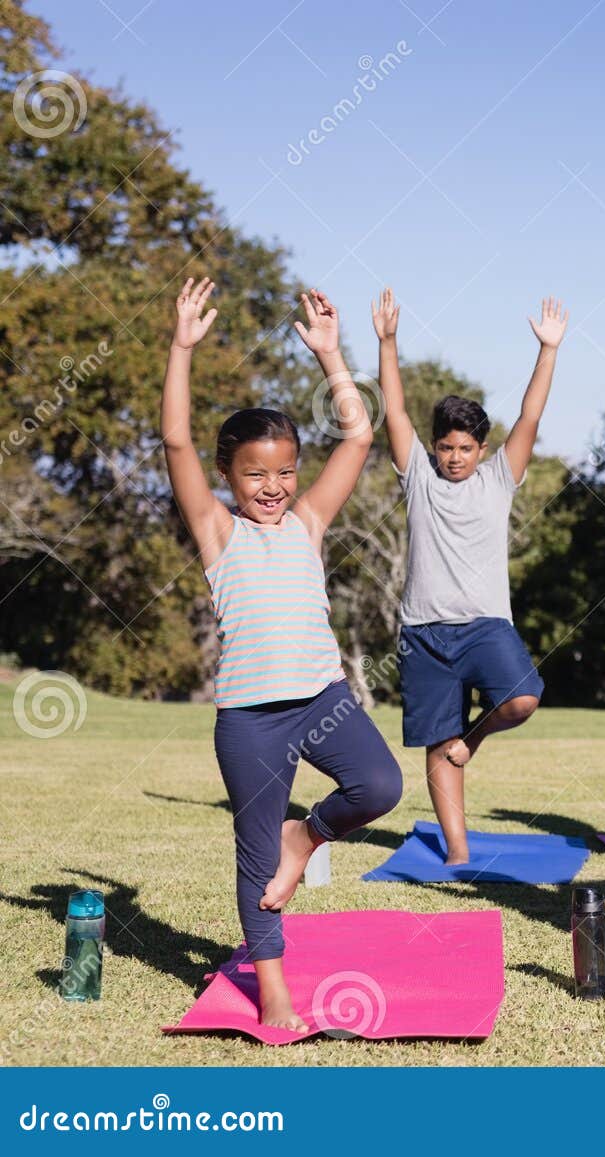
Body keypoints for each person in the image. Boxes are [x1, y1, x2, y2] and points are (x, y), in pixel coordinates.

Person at [162, 279, 402, 1030]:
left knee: (381, 785)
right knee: (256, 857)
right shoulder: (216, 531)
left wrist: (332, 356)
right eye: (254, 473)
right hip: (250, 721)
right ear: (228, 476)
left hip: (323, 699)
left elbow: (359, 436)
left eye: (285, 469)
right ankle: (273, 991)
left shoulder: (307, 520)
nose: (273, 485)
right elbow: (174, 440)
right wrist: (181, 347)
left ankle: (311, 833)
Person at [372, 288, 567, 864]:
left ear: (483, 449)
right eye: (446, 447)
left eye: (466, 448)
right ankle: (456, 853)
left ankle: (473, 739)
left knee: (525, 696)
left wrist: (548, 351)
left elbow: (531, 415)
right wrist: (387, 342)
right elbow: (395, 410)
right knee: (436, 742)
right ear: (434, 448)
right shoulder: (418, 478)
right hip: (425, 632)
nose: (455, 457)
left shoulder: (499, 479)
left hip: (485, 626)